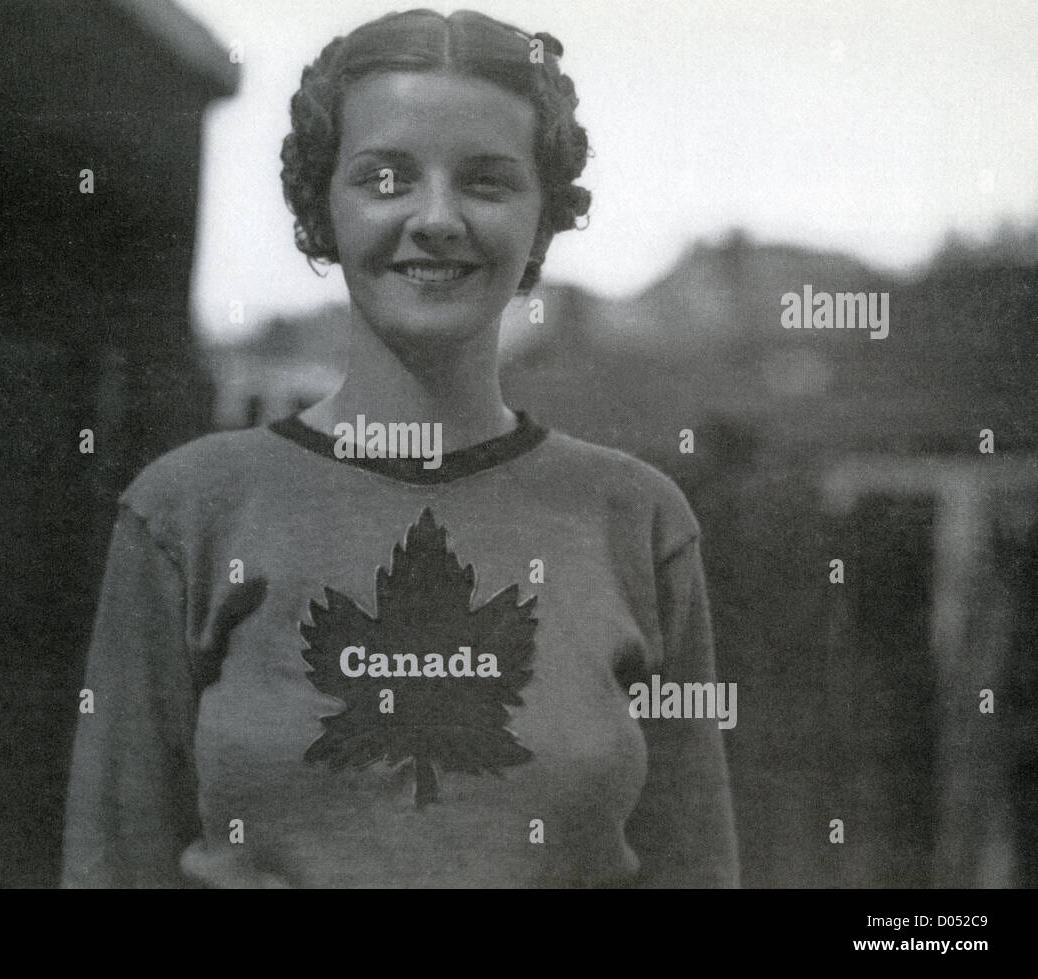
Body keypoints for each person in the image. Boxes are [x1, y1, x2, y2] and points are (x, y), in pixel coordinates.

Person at [62, 7, 738, 888]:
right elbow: (112, 872)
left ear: (544, 215)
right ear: (322, 202)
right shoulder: (186, 514)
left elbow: (696, 875)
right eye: (386, 178)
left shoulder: (638, 523)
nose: (437, 218)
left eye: (488, 182)